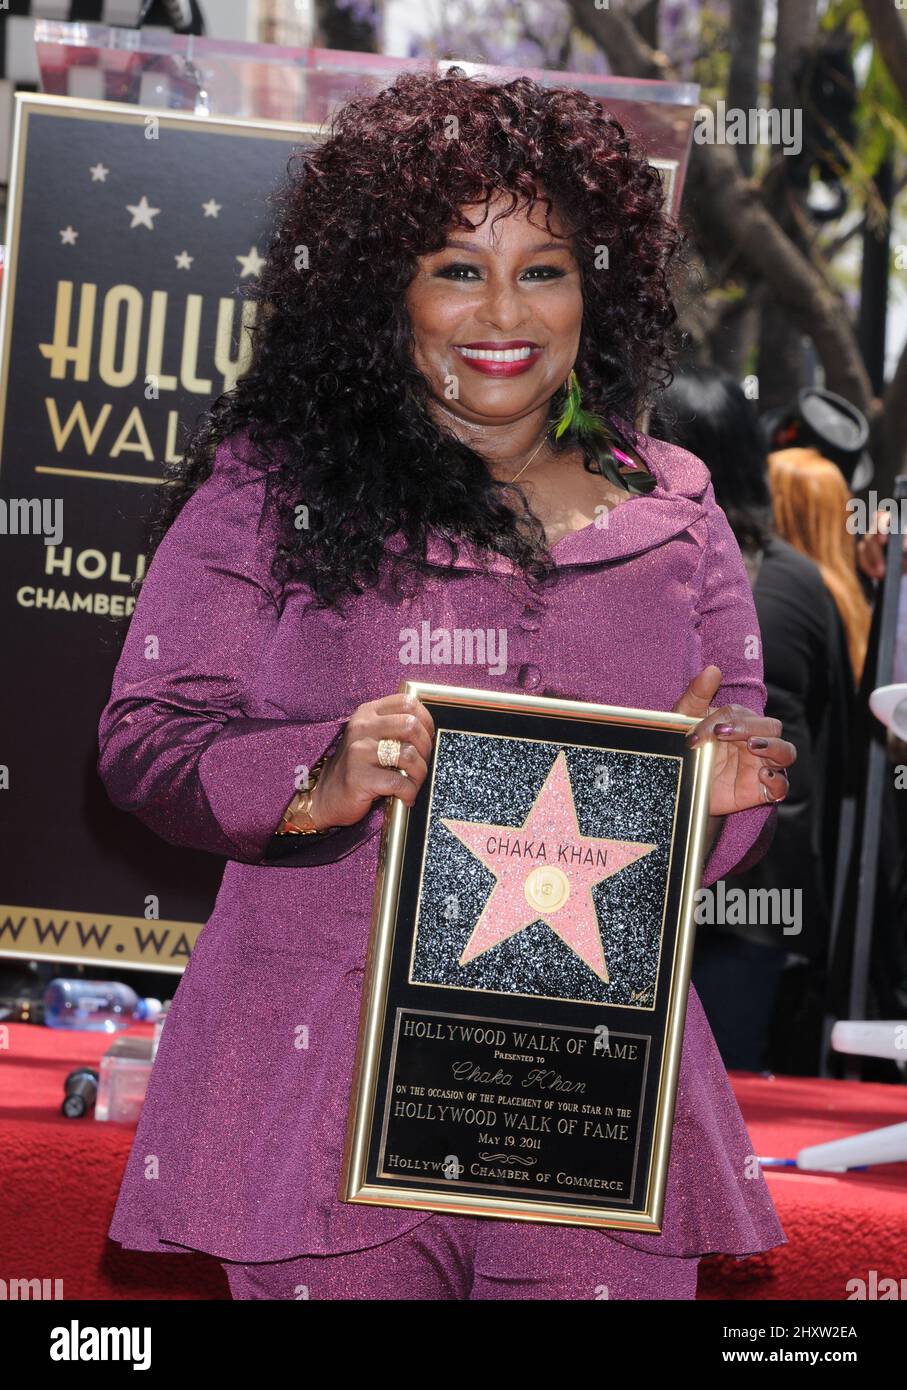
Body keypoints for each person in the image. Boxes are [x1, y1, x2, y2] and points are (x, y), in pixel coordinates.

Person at [97, 69, 794, 1301]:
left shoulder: (679, 510)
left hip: (585, 1096)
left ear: (598, 287)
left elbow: (727, 798)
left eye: (544, 267)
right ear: (387, 290)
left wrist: (717, 797)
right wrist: (319, 772)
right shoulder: (270, 489)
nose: (502, 311)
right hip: (313, 1092)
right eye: (456, 267)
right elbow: (148, 739)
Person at [649, 369, 853, 1073]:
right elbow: (838, 749)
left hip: (639, 886)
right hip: (765, 899)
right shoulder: (803, 581)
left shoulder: (641, 569)